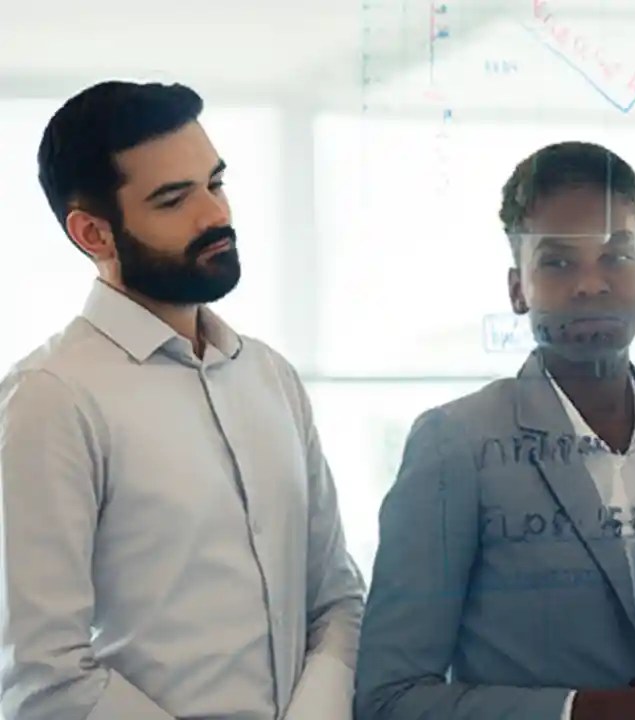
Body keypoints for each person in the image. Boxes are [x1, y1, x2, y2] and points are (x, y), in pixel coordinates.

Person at [0, 81, 366, 720]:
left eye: (215, 184)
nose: (215, 216)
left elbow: (336, 599)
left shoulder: (270, 377)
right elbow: (43, 674)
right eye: (173, 199)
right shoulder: (51, 401)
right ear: (93, 233)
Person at [355, 141, 635, 720]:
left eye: (617, 256)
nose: (591, 284)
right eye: (558, 262)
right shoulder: (454, 442)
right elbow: (391, 698)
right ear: (518, 289)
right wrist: (576, 712)